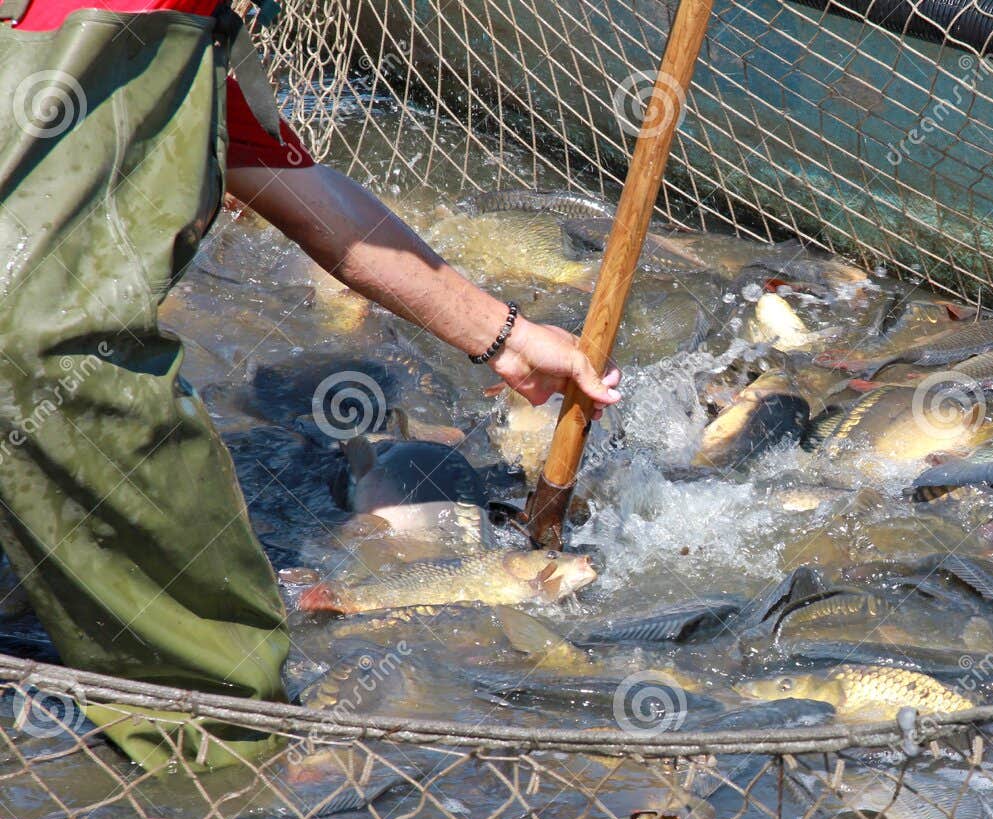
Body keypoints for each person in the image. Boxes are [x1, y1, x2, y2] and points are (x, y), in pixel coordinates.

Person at [0, 0, 619, 771]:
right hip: (47, 385)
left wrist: (507, 337)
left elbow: (289, 183)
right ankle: (222, 775)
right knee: (220, 724)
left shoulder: (190, 46)